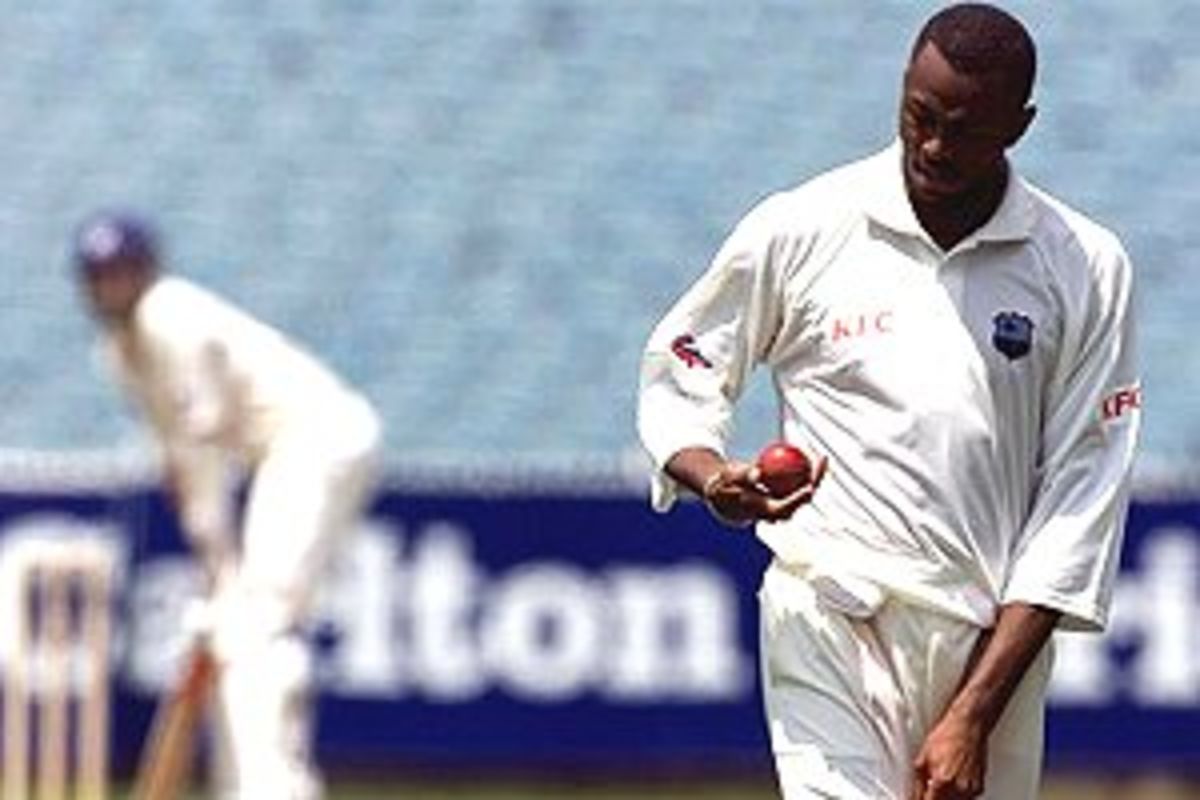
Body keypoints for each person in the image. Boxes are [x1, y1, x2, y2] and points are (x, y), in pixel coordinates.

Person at [637, 4, 1140, 799]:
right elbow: (688, 361)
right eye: (920, 117)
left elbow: (1083, 497)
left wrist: (972, 716)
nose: (935, 147)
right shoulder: (804, 227)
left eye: (967, 130)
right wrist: (711, 476)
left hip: (986, 647)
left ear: (1020, 125)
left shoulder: (1083, 266)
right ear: (903, 92)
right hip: (828, 610)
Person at [74, 212, 382, 800]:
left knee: (258, 623)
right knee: (240, 631)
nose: (112, 288)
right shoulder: (120, 354)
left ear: (146, 269)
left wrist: (221, 558)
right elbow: (178, 455)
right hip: (284, 453)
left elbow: (204, 437)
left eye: (122, 273)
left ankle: (273, 789)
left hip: (318, 439)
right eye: (100, 276)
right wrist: (217, 562)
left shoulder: (171, 313)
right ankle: (249, 784)